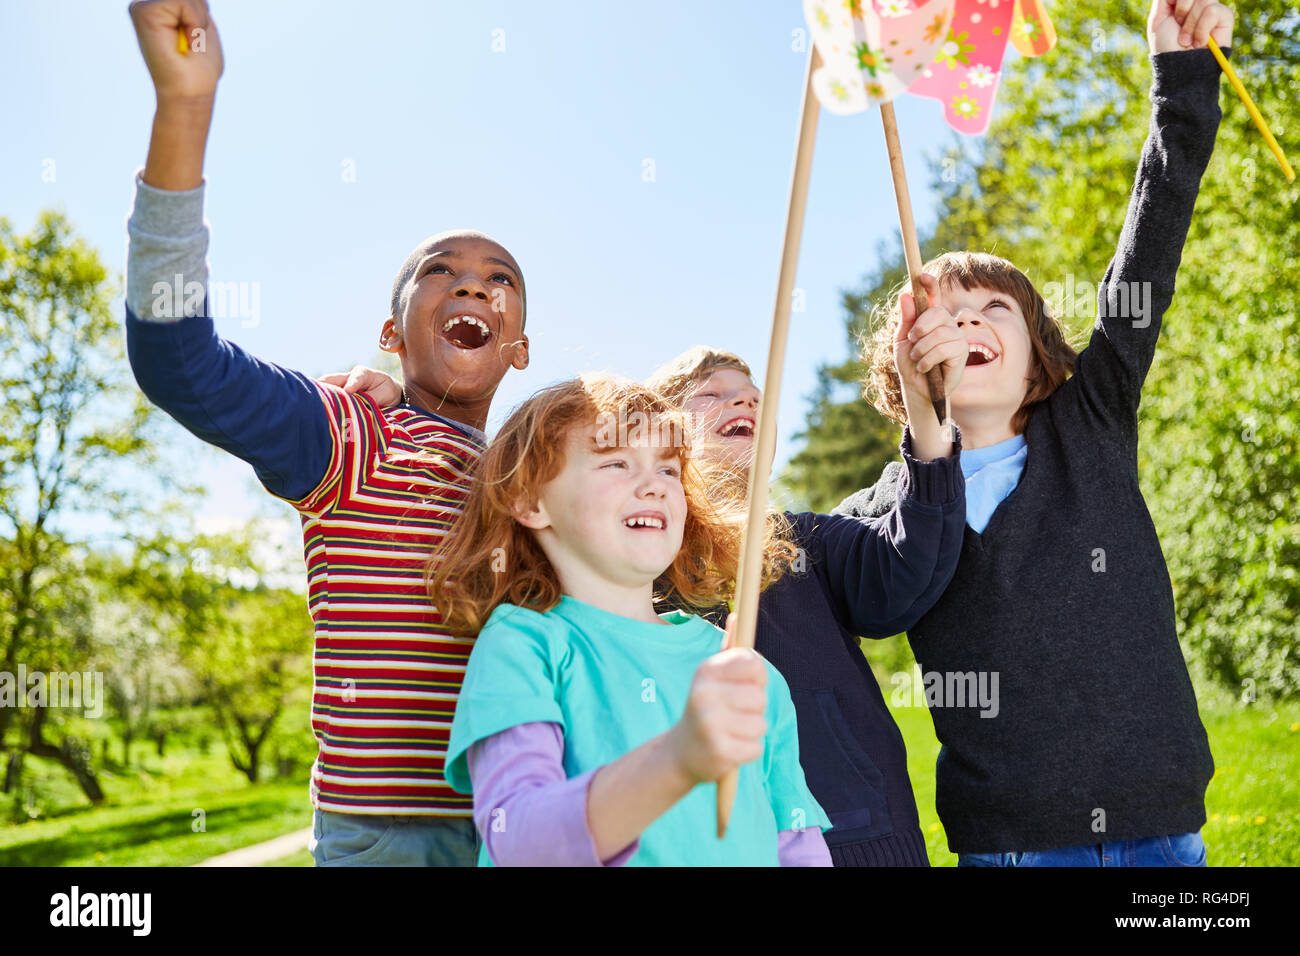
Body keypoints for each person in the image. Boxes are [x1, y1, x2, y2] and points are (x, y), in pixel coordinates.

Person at [124, 0, 529, 865]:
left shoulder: (542, 474)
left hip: (532, 823)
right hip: (387, 839)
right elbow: (178, 361)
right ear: (392, 333)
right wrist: (186, 105)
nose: (470, 287)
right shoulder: (354, 433)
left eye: (498, 279)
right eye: (439, 273)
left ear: (520, 345)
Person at [834, 0, 1234, 867]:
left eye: (994, 309)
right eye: (941, 312)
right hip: (1010, 846)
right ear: (905, 359)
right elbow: (854, 601)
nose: (967, 320)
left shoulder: (1088, 418)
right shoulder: (885, 508)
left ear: (1039, 349)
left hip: (1162, 827)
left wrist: (1182, 79)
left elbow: (1151, 240)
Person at [432, 375, 830, 865]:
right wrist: (677, 759)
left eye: (668, 471)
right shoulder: (524, 644)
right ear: (530, 500)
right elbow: (517, 839)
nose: (654, 486)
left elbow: (795, 843)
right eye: (617, 462)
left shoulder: (744, 667)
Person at [647, 347, 965, 865]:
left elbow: (906, 569)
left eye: (755, 397)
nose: (745, 400)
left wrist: (929, 437)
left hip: (861, 837)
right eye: (711, 395)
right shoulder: (641, 558)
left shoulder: (806, 540)